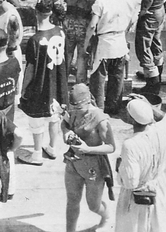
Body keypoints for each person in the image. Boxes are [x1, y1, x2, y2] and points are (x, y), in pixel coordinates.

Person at [114, 96, 166, 232]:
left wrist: (120, 168)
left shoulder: (130, 145)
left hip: (137, 196)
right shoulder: (160, 130)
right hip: (158, 187)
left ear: (131, 119)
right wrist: (149, 106)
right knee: (158, 223)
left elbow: (130, 182)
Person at [19, 0, 68, 165]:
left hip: (40, 84)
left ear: (37, 13)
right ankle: (53, 148)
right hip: (57, 82)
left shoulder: (35, 40)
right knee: (55, 116)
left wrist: (24, 88)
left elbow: (30, 69)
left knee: (36, 120)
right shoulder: (61, 32)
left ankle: (37, 154)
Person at [62, 84, 115, 232]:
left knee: (94, 205)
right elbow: (64, 123)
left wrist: (88, 149)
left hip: (94, 166)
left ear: (88, 101)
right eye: (73, 108)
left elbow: (111, 146)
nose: (75, 111)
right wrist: (66, 132)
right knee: (72, 201)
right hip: (73, 162)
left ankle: (106, 217)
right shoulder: (73, 111)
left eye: (78, 108)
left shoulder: (100, 119)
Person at [87, 0, 133, 114]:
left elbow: (92, 25)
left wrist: (86, 43)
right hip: (120, 40)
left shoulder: (100, 1)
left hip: (105, 42)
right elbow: (132, 20)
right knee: (117, 77)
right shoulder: (126, 0)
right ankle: (114, 107)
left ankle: (98, 109)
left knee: (98, 78)